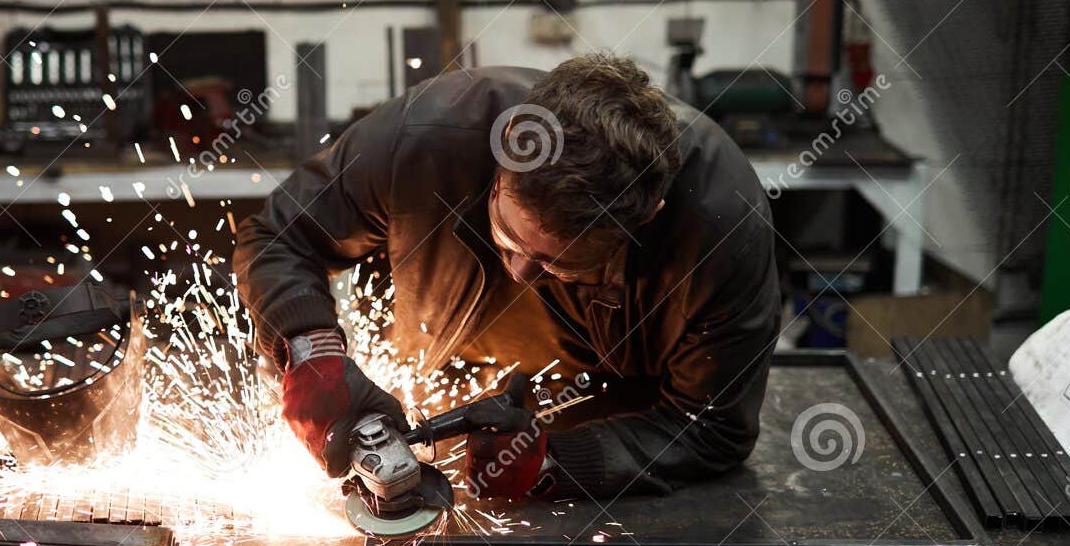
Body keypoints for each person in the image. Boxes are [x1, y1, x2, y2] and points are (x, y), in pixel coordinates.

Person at [233, 53, 780, 501]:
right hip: (425, 380)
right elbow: (281, 237)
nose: (519, 272)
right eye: (507, 236)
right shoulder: (427, 137)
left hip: (590, 429)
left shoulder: (721, 229)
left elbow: (711, 427)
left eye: (556, 263)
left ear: (644, 219)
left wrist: (554, 464)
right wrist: (312, 351)